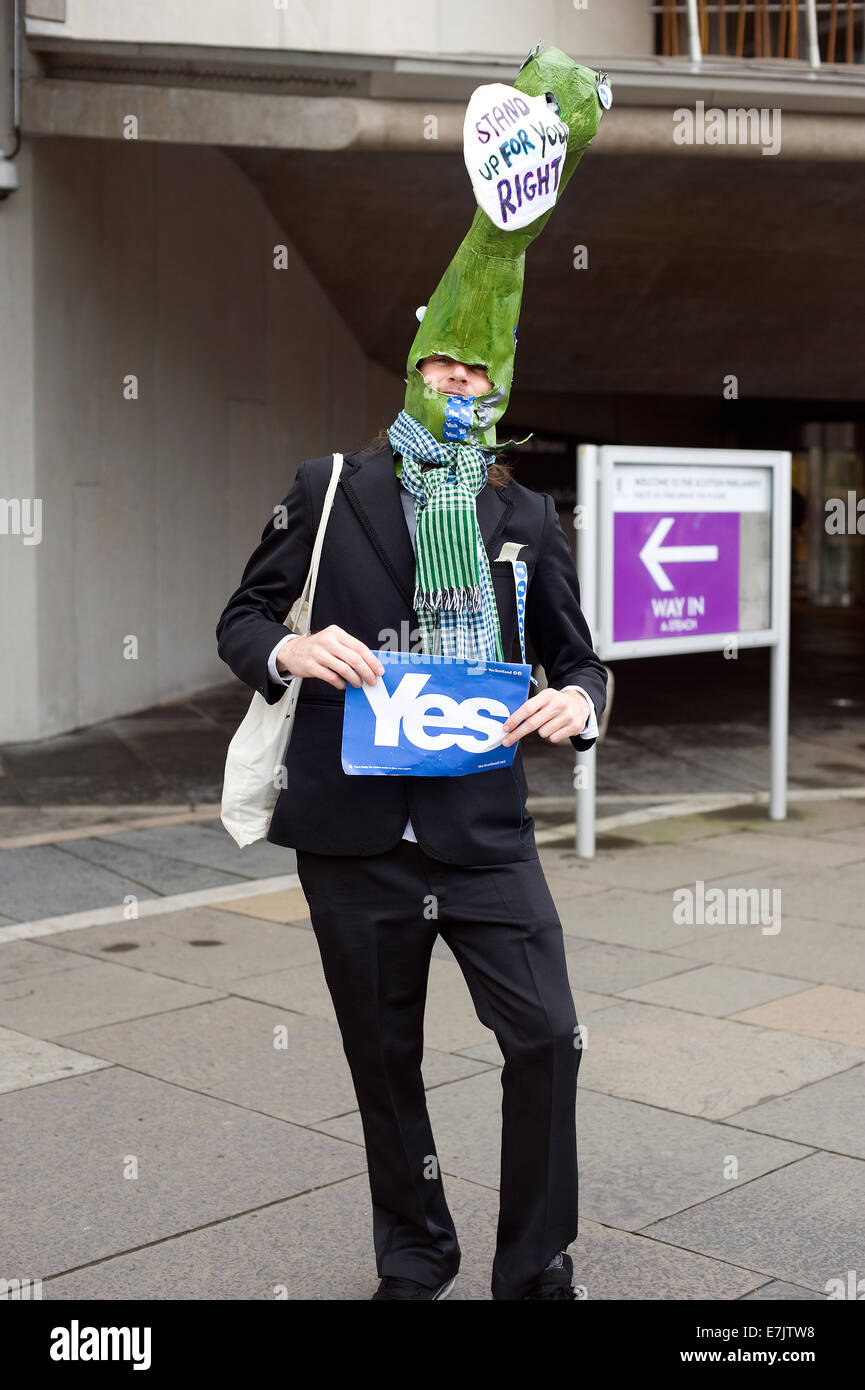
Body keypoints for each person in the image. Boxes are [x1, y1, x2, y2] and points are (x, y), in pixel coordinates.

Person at [216, 46, 611, 1300]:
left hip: (482, 828)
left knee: (545, 1036)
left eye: (481, 376)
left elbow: (579, 656)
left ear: (500, 395)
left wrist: (579, 702)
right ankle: (414, 1254)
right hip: (355, 837)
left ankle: (534, 1265)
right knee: (382, 1061)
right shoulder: (329, 486)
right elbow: (241, 616)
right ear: (414, 367)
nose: (460, 388)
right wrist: (292, 648)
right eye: (445, 367)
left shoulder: (524, 516)